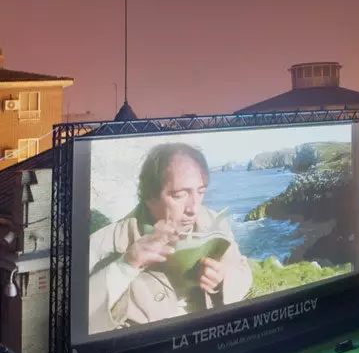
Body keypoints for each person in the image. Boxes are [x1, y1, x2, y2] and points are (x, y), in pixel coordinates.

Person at [85, 142, 253, 333]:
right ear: (150, 197)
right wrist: (126, 265)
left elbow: (242, 272)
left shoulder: (213, 222)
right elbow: (81, 321)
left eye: (200, 192)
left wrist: (223, 279)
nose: (193, 209)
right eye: (180, 195)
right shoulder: (104, 243)